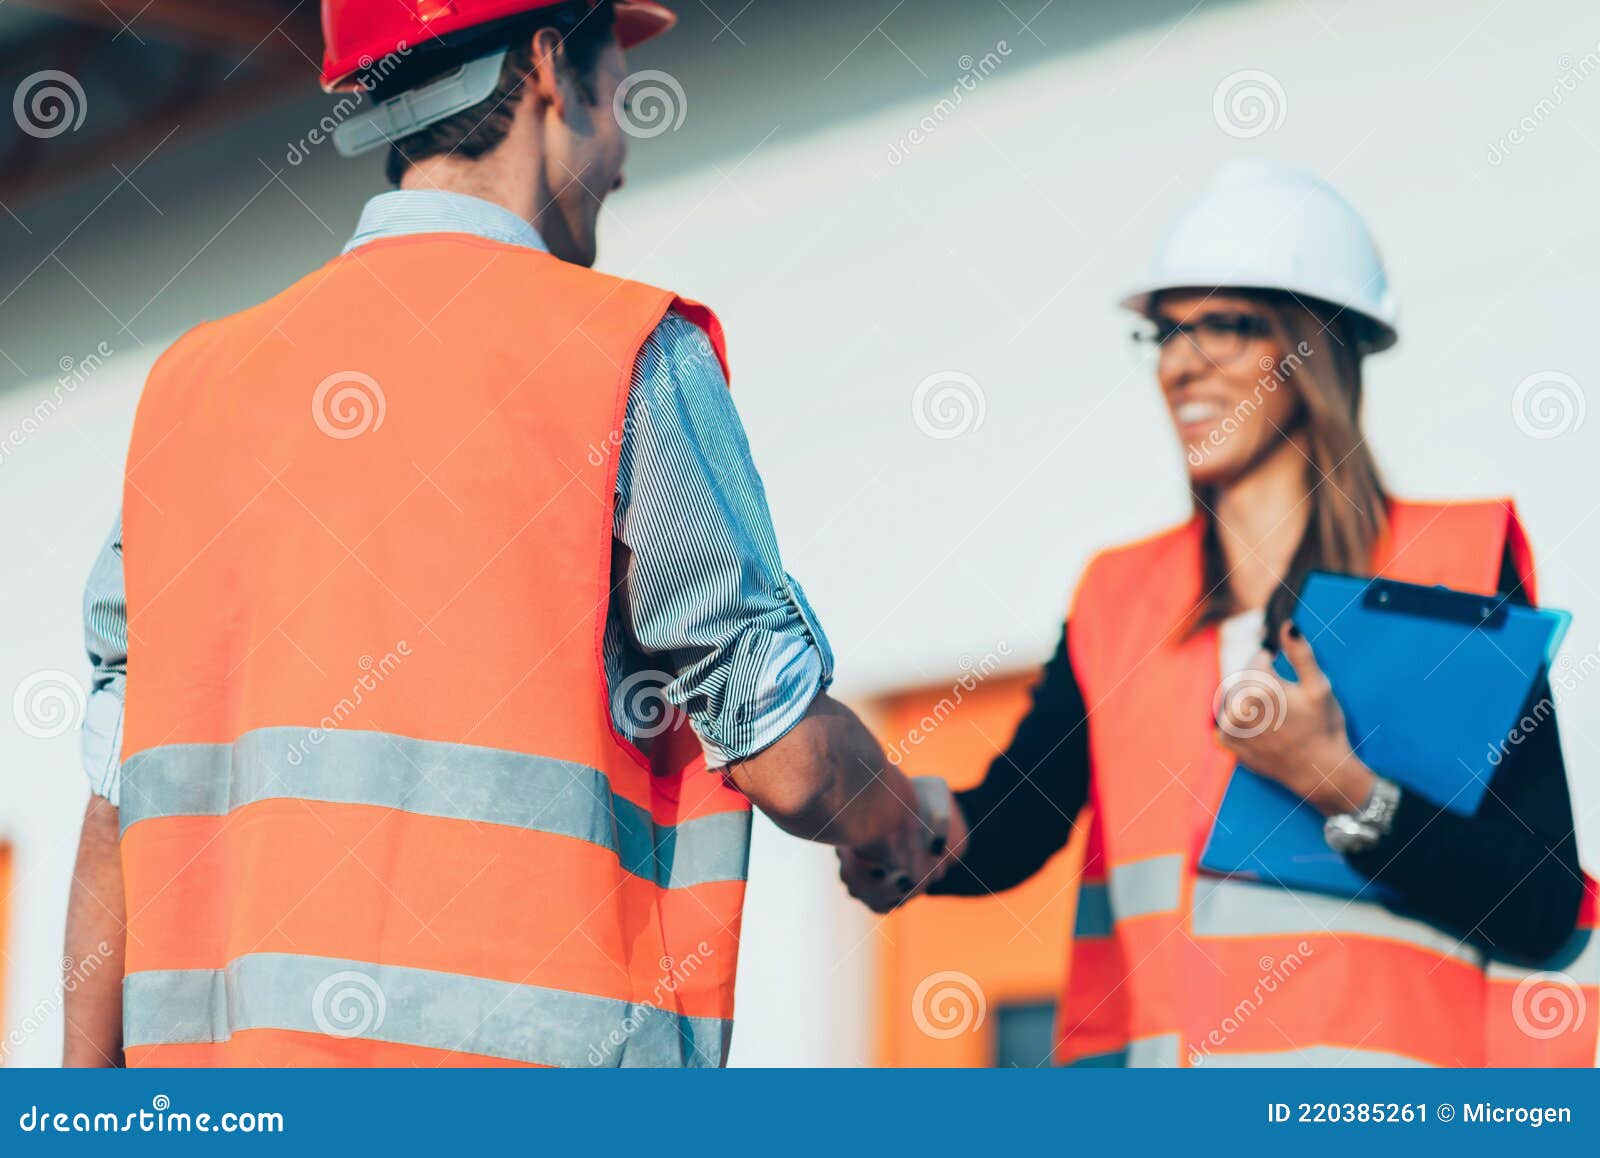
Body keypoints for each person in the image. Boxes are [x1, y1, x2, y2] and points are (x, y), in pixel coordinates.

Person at [64, 0, 950, 1068]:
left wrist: (87, 1103)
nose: (619, 156)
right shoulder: (624, 354)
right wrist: (899, 817)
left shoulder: (192, 391)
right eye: (619, 96)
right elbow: (791, 759)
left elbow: (119, 795)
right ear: (546, 66)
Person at [840, 160, 1598, 1068]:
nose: (1179, 362)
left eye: (1225, 328)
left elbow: (1540, 904)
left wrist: (1341, 787)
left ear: (1314, 348)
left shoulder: (1452, 568)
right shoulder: (1120, 600)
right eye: (1163, 332)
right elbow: (1012, 822)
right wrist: (895, 822)